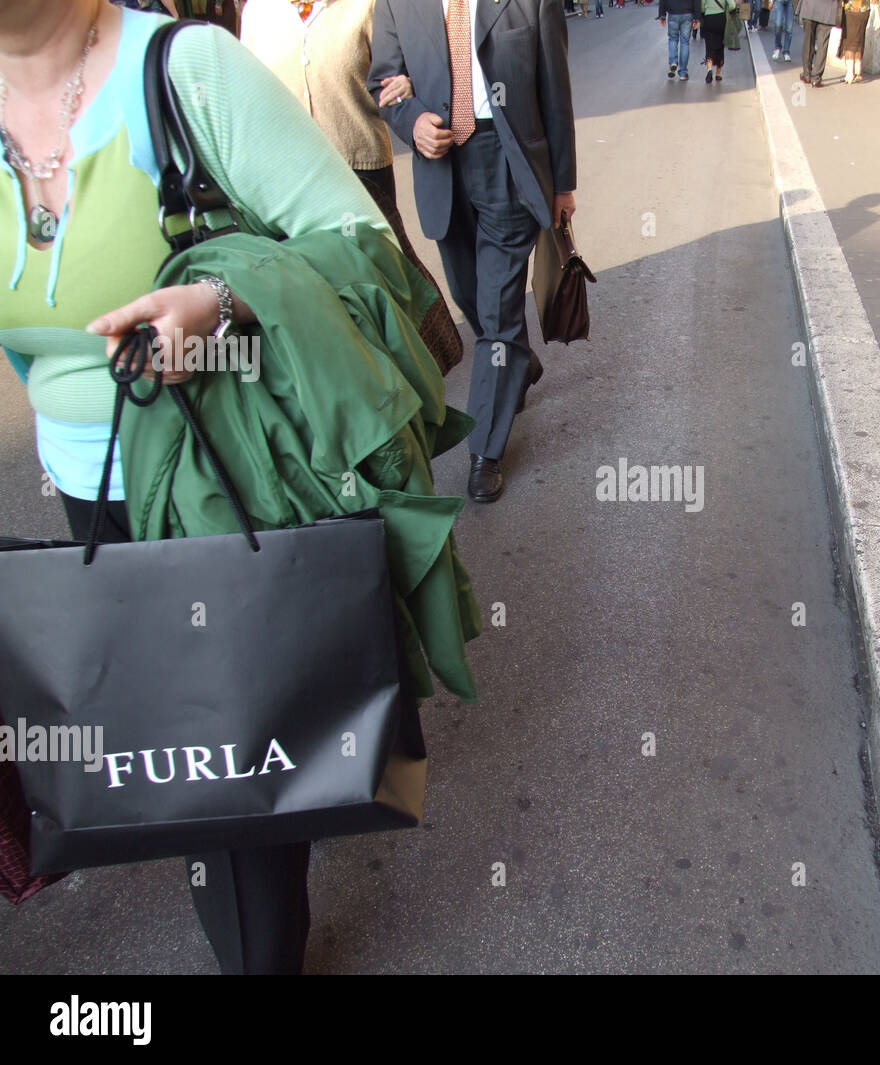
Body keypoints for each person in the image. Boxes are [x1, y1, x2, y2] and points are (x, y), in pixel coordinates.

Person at [0, 0, 477, 974]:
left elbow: (362, 252)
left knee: (230, 755)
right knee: (157, 746)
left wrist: (222, 309)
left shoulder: (186, 70)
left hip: (227, 481)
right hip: (86, 497)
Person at [370, 0, 577, 504]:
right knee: (467, 293)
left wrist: (563, 184)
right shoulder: (397, 4)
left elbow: (555, 88)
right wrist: (413, 120)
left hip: (507, 162)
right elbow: (386, 82)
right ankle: (515, 364)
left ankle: (485, 448)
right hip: (441, 170)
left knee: (498, 308)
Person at [240, 0, 462, 376]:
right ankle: (358, 384)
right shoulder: (259, 13)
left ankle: (412, 373)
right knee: (314, 290)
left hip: (360, 167)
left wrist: (407, 84)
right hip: (286, 181)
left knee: (378, 283)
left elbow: (395, 70)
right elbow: (246, 94)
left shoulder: (363, 5)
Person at [799, 0, 842, 87]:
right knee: (822, 45)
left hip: (809, 8)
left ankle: (807, 74)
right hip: (827, 11)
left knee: (808, 42)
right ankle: (816, 78)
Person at [660, 0, 701, 80]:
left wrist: (662, 15)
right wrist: (697, 18)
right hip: (688, 14)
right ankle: (683, 73)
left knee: (672, 39)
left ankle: (673, 62)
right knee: (685, 43)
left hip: (673, 13)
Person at [699, 0, 734, 83]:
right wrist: (725, 8)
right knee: (720, 46)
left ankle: (709, 69)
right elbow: (732, 5)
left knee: (709, 46)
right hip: (721, 19)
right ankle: (718, 73)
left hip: (709, 19)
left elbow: (702, 7)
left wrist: (707, 10)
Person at [838, 0, 870, 83]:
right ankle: (857, 71)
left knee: (849, 42)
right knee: (859, 40)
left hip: (852, 10)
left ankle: (849, 74)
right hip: (865, 11)